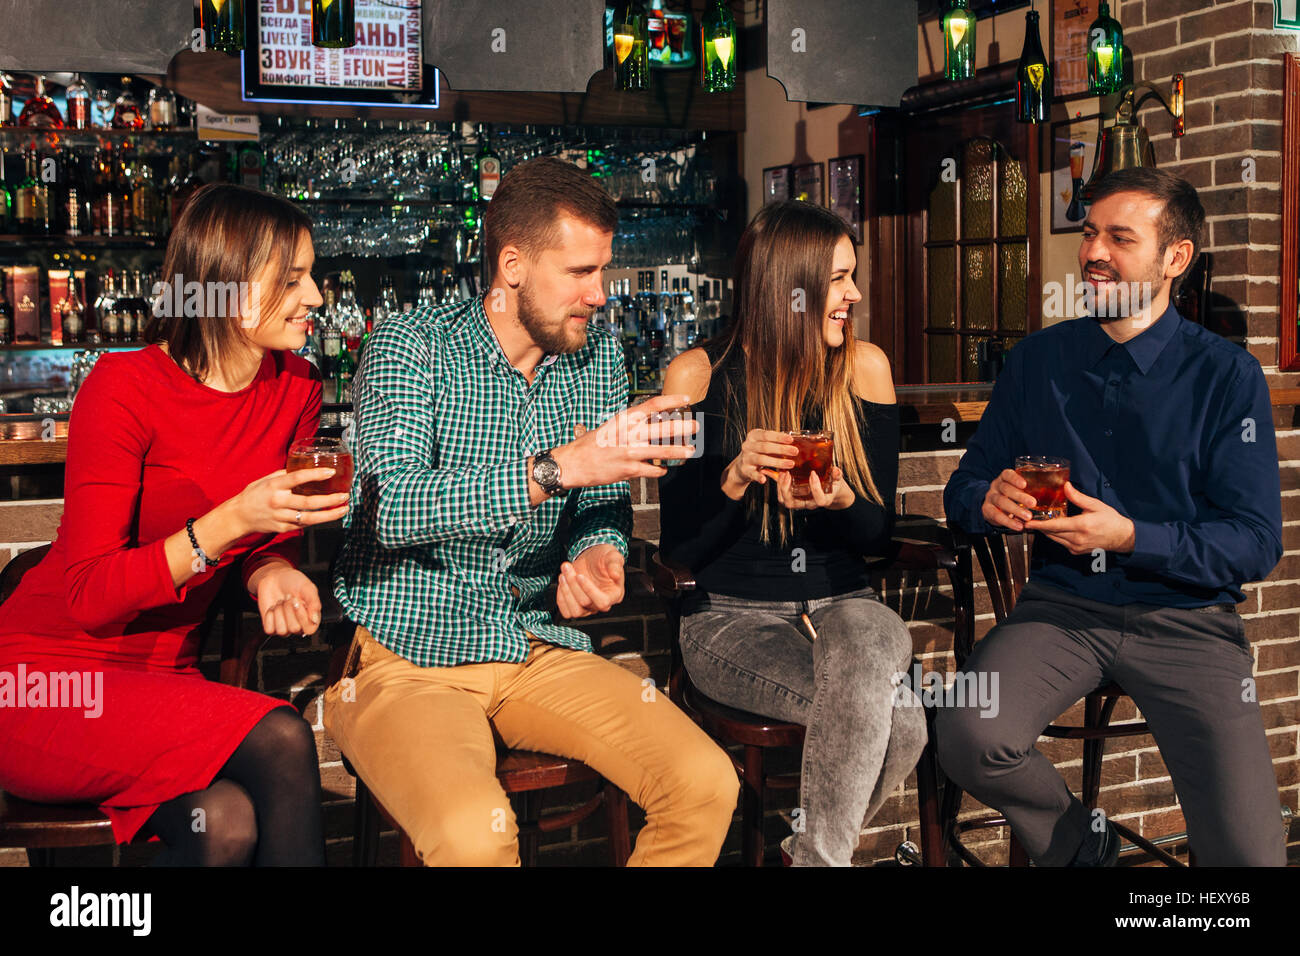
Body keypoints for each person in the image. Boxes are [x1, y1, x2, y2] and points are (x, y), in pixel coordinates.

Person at [323, 157, 737, 867]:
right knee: (473, 836)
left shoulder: (596, 356)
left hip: (534, 644)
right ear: (512, 265)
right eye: (580, 272)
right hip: (410, 657)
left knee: (705, 783)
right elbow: (390, 505)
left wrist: (598, 553)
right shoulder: (411, 346)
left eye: (602, 271)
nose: (600, 295)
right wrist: (557, 468)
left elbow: (601, 505)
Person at [939, 166, 1285, 866]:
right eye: (1090, 232)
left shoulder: (1227, 377)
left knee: (1250, 859)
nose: (1093, 250)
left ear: (1174, 259)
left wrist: (1130, 536)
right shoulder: (1037, 362)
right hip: (1063, 607)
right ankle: (1083, 849)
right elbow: (965, 486)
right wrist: (986, 498)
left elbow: (1254, 543)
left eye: (1120, 238)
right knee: (969, 731)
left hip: (1188, 620)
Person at [0, 184, 346, 866]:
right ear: (228, 287)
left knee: (223, 824)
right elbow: (89, 593)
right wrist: (227, 523)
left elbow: (267, 533)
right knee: (280, 735)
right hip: (48, 681)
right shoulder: (123, 386)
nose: (315, 298)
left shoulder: (297, 387)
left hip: (165, 684)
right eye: (292, 279)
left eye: (312, 276)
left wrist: (272, 568)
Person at [657, 200, 925, 867]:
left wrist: (841, 500)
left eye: (852, 277)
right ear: (791, 284)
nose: (854, 295)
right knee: (901, 720)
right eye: (839, 279)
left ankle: (809, 859)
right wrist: (734, 480)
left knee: (874, 667)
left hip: (843, 604)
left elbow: (877, 539)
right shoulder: (697, 377)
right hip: (732, 621)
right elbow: (680, 556)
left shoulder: (865, 369)